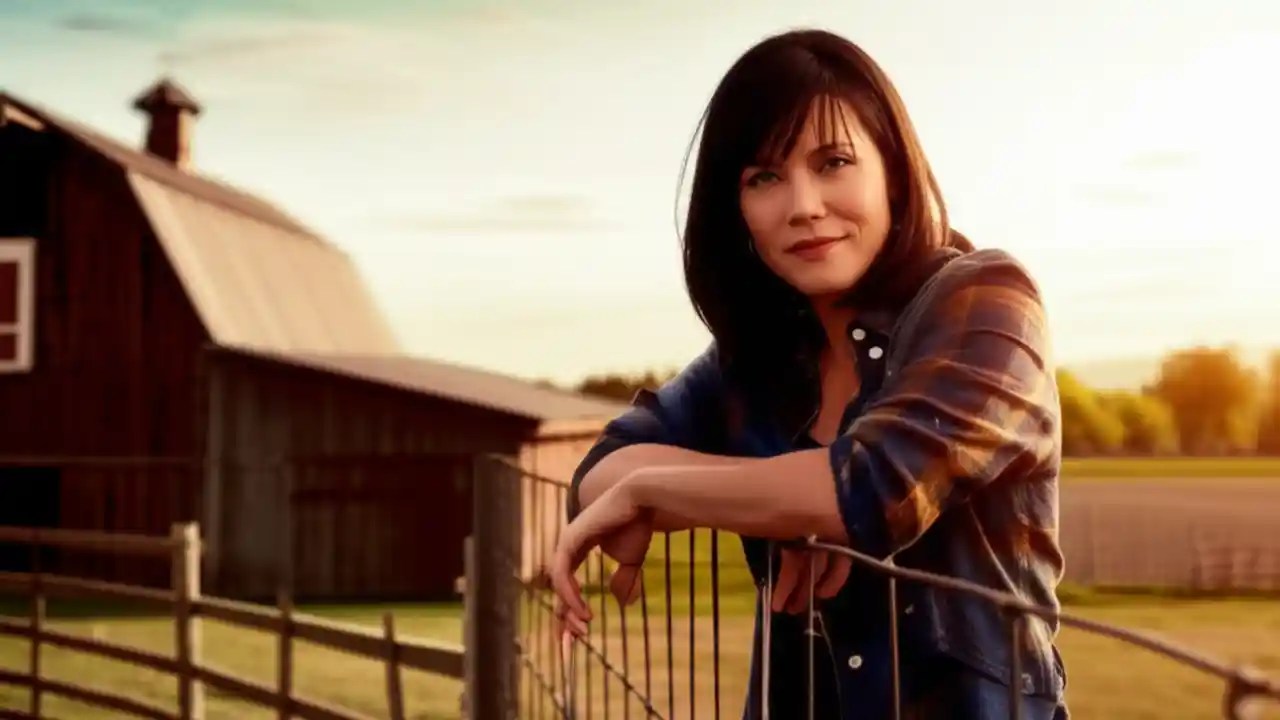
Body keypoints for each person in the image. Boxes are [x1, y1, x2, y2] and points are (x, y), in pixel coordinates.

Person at [552, 27, 1069, 720]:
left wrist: (658, 492)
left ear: (891, 167)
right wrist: (788, 509)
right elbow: (599, 474)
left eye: (832, 162)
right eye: (764, 177)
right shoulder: (757, 358)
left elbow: (876, 485)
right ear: (735, 211)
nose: (802, 205)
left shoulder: (990, 303)